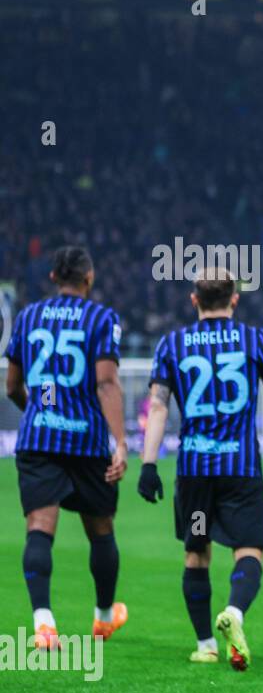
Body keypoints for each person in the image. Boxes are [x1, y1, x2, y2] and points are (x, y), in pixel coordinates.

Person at [138, 267, 263, 668]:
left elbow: (158, 406)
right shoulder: (254, 340)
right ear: (234, 299)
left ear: (194, 300)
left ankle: (205, 645)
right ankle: (234, 613)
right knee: (249, 550)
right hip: (240, 470)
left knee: (196, 553)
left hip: (195, 473)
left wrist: (148, 464)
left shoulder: (172, 344)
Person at [5, 246, 128, 650]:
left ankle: (44, 624)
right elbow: (106, 382)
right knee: (101, 531)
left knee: (39, 529)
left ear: (54, 277)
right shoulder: (102, 318)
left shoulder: (27, 317)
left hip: (39, 439)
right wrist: (121, 442)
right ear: (88, 279)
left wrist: (39, 411)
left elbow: (11, 386)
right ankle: (104, 619)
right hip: (88, 441)